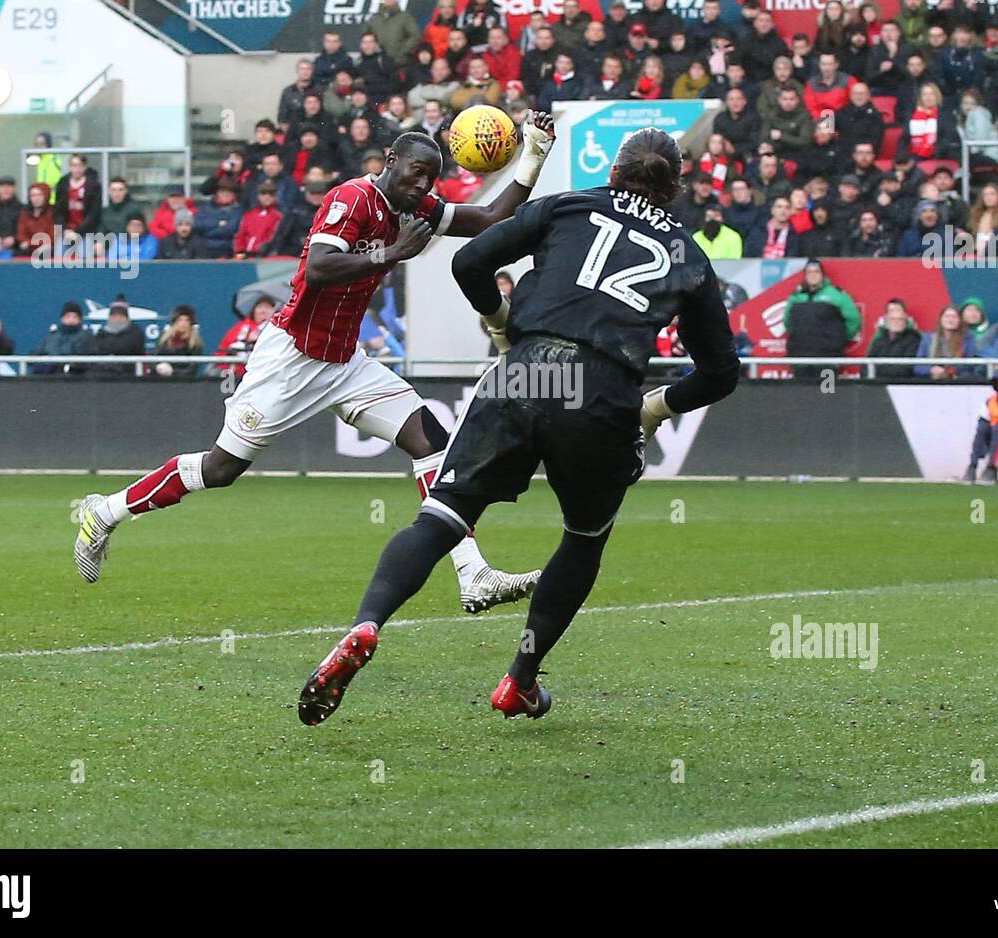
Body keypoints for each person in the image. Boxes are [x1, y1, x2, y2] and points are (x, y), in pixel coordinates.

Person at [294, 126, 738, 725]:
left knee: (442, 517)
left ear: (613, 172)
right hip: (603, 391)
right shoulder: (689, 253)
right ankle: (520, 680)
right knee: (583, 539)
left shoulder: (570, 205)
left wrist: (502, 320)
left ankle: (365, 626)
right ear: (677, 187)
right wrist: (654, 407)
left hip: (525, 370)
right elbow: (721, 372)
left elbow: (471, 259)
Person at [74, 115, 560, 621]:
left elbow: (487, 217)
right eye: (415, 173)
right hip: (293, 358)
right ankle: (103, 511)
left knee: (430, 438)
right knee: (221, 469)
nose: (423, 186)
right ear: (389, 161)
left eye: (430, 179)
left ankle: (471, 571)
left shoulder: (414, 208)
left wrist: (534, 154)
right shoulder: (352, 199)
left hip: (347, 363)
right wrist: (392, 253)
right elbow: (319, 269)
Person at [782, 260, 861, 379]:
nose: (813, 275)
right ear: (805, 276)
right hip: (800, 360)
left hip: (828, 359)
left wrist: (839, 340)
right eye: (809, 272)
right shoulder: (796, 297)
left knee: (827, 394)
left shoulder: (836, 296)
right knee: (802, 395)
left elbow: (854, 320)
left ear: (822, 275)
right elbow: (788, 322)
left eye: (816, 272)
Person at [963, 366, 998, 485]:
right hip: (994, 439)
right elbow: (983, 422)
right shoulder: (990, 401)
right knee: (983, 428)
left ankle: (991, 468)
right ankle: (972, 466)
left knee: (997, 428)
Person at [32, 300, 93, 376]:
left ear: (80, 320)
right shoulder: (51, 336)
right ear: (62, 318)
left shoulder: (86, 337)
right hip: (49, 378)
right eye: (67, 316)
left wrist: (66, 367)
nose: (71, 320)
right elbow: (36, 354)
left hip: (75, 379)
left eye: (74, 317)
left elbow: (83, 360)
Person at [865, 298, 922, 381]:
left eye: (900, 319)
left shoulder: (914, 339)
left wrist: (878, 370)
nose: (896, 322)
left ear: (906, 322)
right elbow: (866, 365)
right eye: (893, 319)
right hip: (875, 386)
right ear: (886, 321)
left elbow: (906, 369)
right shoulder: (879, 340)